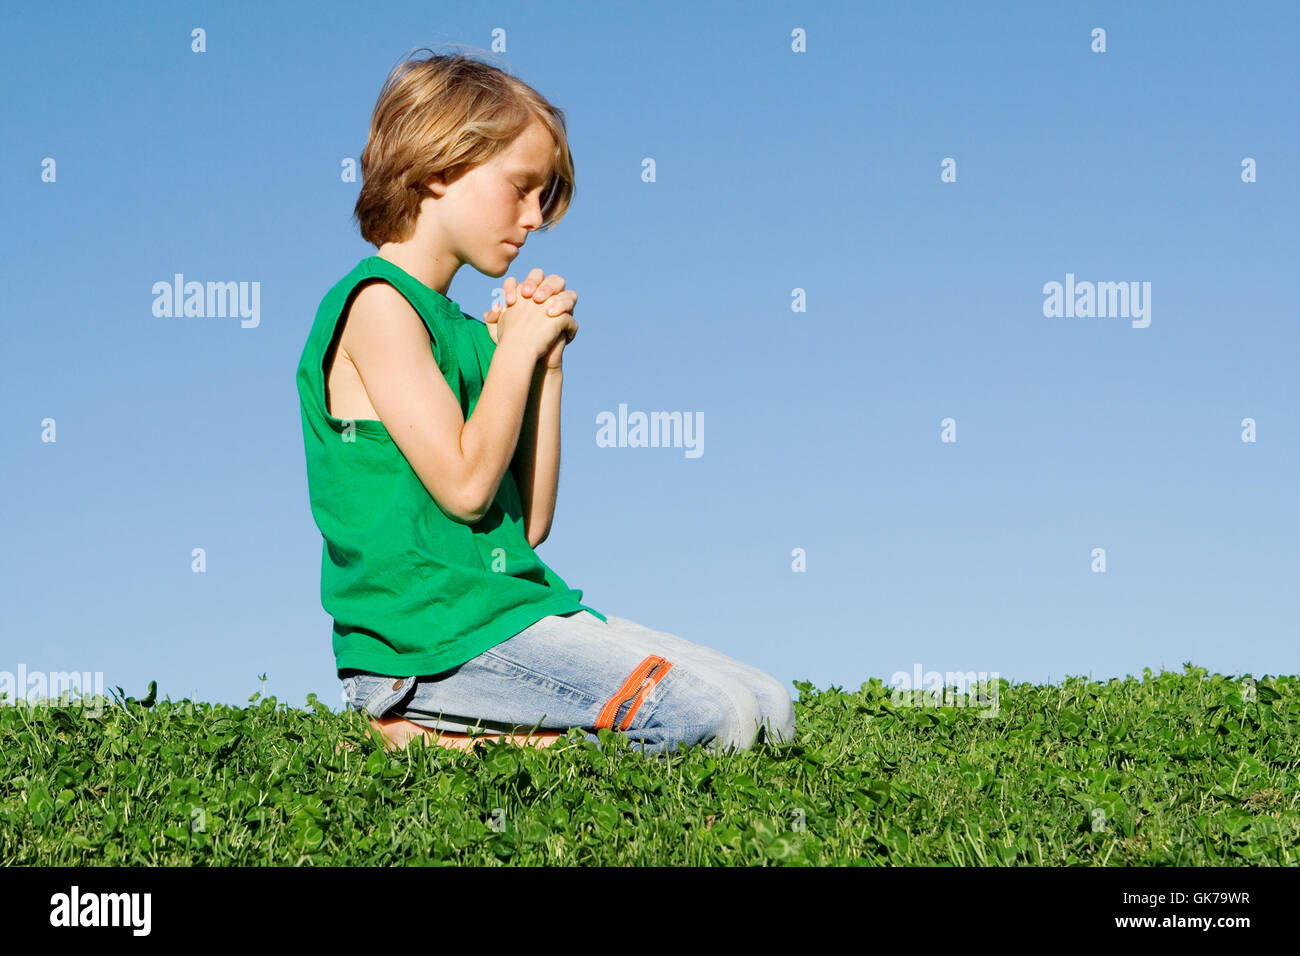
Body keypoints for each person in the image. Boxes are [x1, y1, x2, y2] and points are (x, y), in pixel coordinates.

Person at [296, 49, 795, 758]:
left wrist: (545, 367)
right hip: (427, 645)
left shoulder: (466, 332)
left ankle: (457, 736)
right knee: (702, 720)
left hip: (509, 615)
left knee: (768, 707)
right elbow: (467, 489)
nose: (534, 217)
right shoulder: (378, 307)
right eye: (521, 187)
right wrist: (518, 353)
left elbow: (525, 527)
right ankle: (418, 741)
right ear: (440, 167)